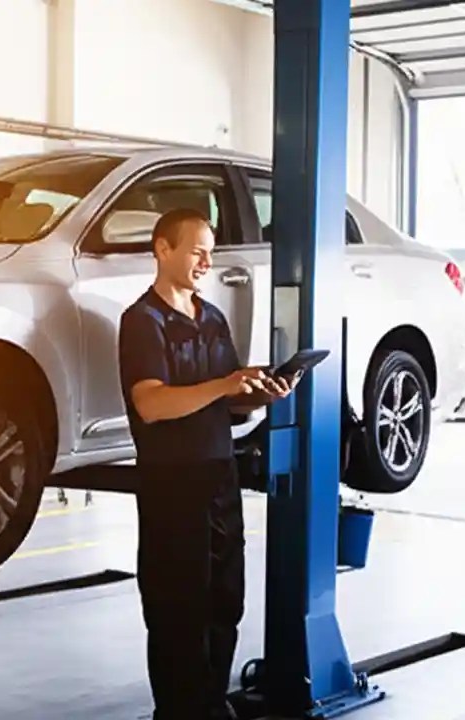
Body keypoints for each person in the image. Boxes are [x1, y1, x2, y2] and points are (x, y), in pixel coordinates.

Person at [118, 207, 300, 719]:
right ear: (162, 249)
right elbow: (151, 404)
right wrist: (224, 384)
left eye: (210, 252)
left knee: (224, 602)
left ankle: (210, 705)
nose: (206, 262)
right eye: (197, 251)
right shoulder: (142, 321)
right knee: (178, 609)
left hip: (220, 477)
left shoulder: (213, 317)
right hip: (171, 485)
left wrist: (260, 393)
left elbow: (224, 401)